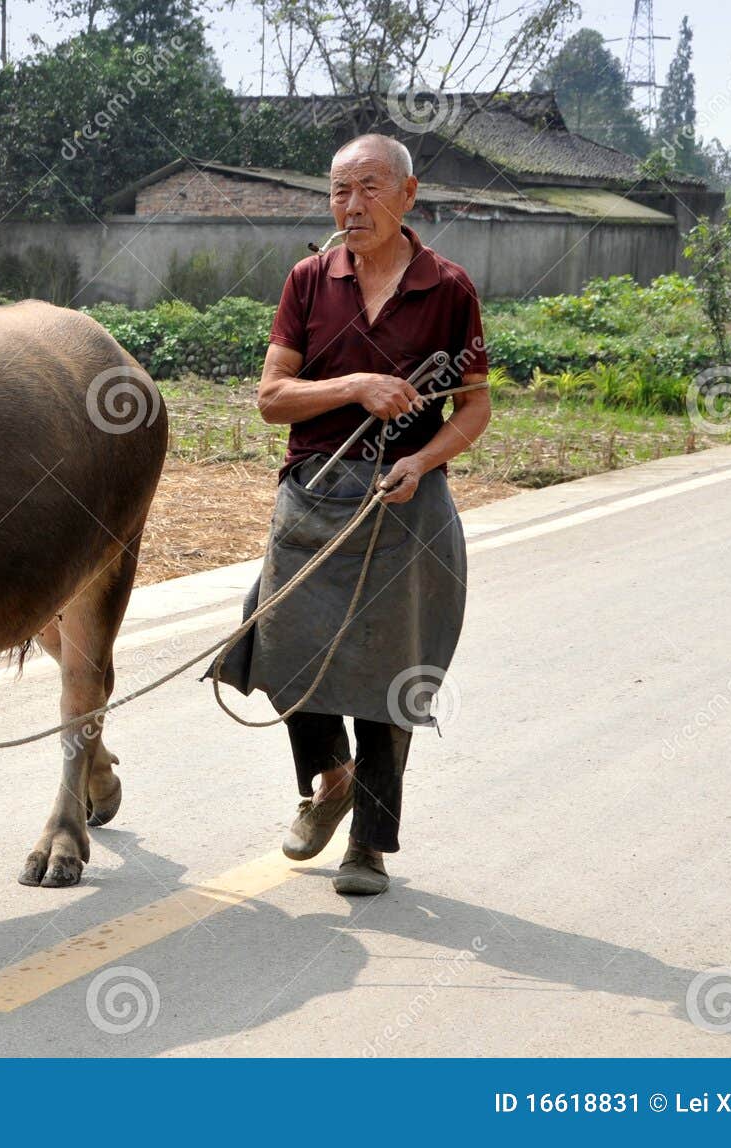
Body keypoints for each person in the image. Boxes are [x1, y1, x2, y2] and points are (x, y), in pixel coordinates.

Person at [207, 133, 491, 895]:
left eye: (370, 186)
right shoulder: (308, 280)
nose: (352, 204)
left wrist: (421, 461)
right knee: (283, 647)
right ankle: (331, 783)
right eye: (339, 190)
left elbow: (474, 408)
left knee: (386, 670)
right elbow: (271, 401)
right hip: (312, 495)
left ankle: (369, 842)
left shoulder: (449, 289)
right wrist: (358, 384)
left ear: (408, 193)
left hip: (404, 501)